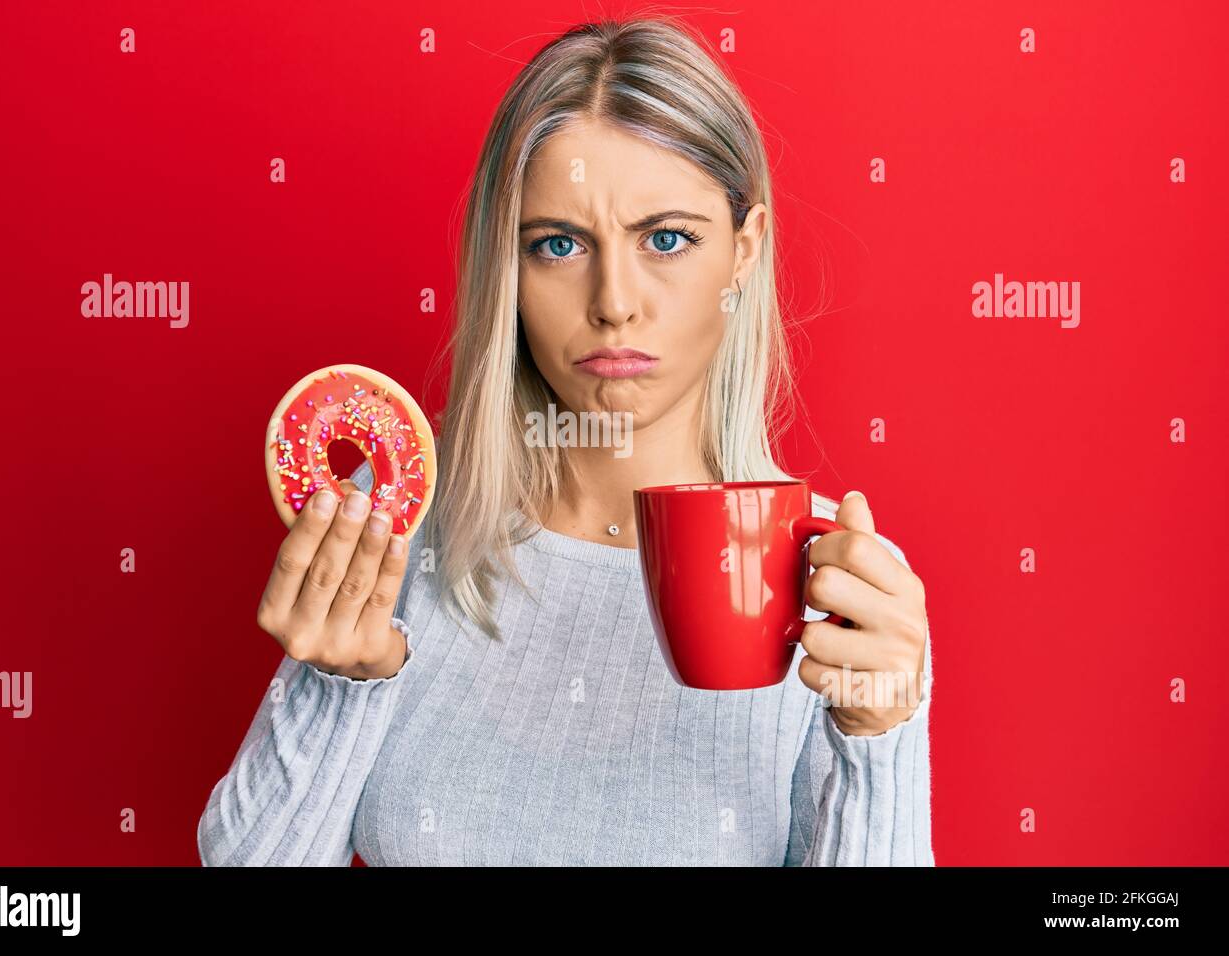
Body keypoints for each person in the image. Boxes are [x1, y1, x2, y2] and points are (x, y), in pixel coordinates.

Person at [198, 16, 934, 867]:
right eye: (558, 244)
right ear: (506, 267)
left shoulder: (836, 586)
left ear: (743, 250)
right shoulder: (406, 508)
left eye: (667, 239)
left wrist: (878, 735)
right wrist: (344, 684)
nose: (613, 301)